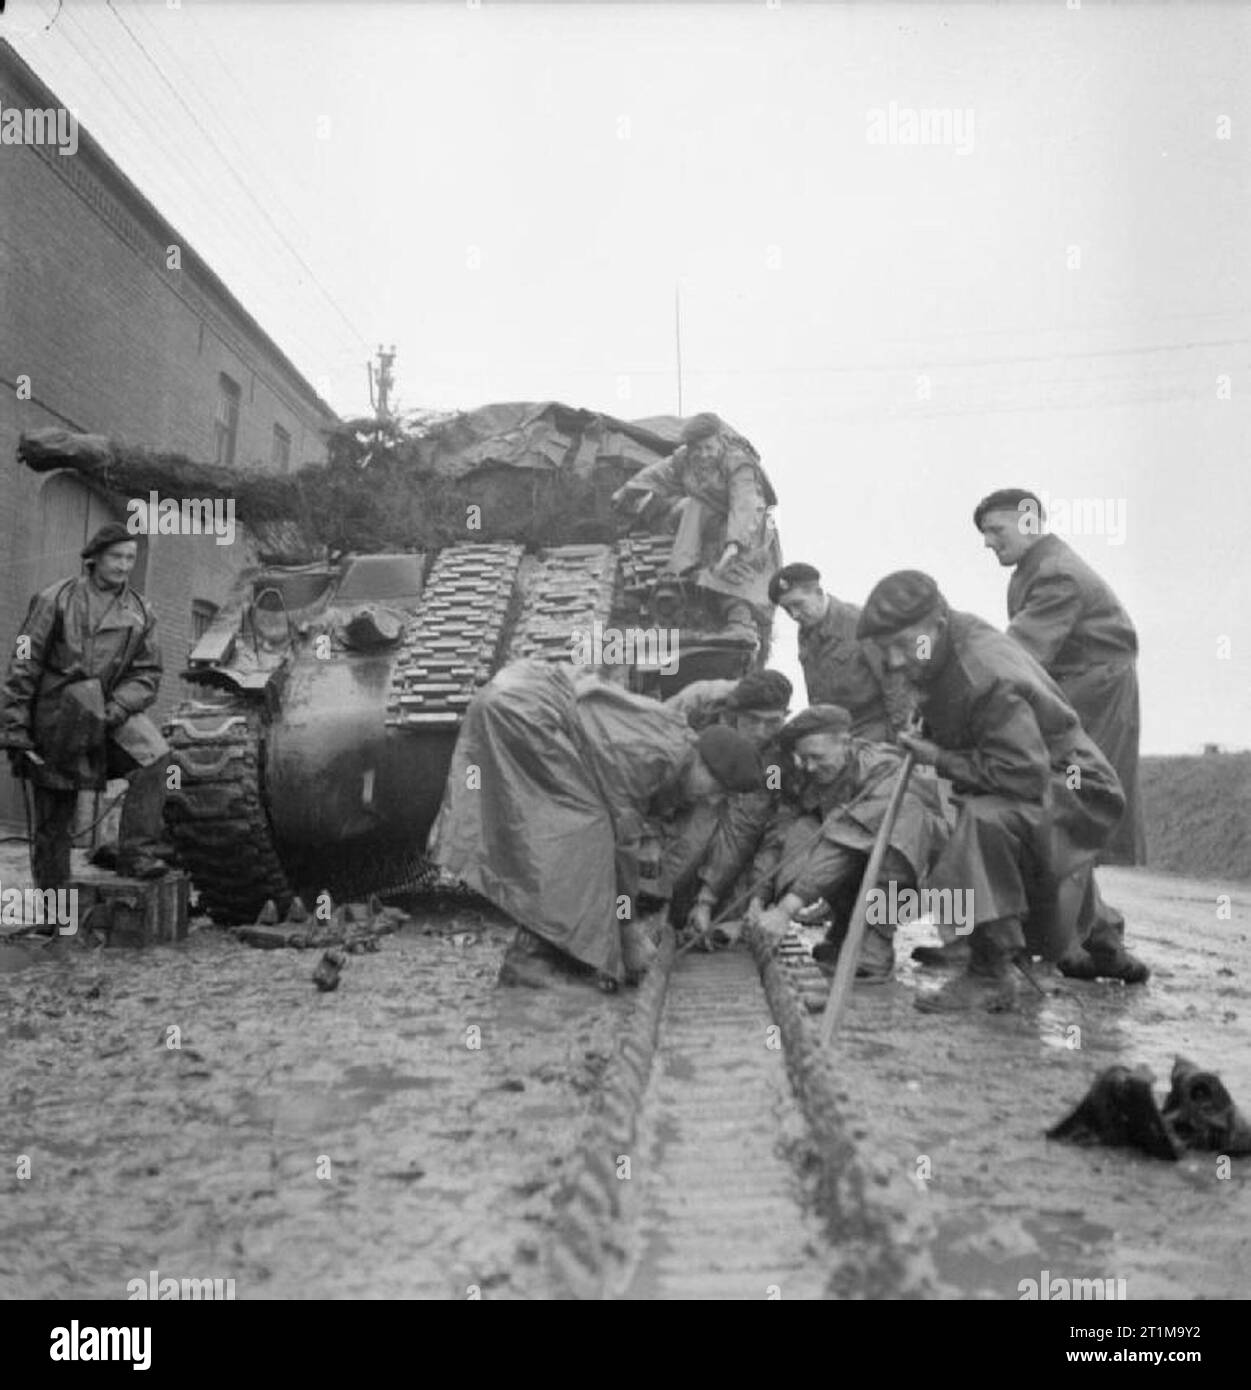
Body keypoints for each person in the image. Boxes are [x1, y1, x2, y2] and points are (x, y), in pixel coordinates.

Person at [855, 570, 1149, 1013]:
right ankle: (1100, 946)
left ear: (934, 624)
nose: (894, 662)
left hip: (1075, 783)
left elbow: (1020, 775)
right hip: (1047, 770)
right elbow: (965, 712)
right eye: (887, 650)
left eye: (901, 646)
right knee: (1014, 828)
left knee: (983, 821)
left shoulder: (983, 672)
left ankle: (990, 973)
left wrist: (939, 757)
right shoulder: (946, 638)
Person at [428, 658, 765, 988]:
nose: (710, 800)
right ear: (705, 767)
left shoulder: (676, 740)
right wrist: (629, 929)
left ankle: (549, 948)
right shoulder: (651, 759)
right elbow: (622, 848)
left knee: (570, 831)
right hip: (524, 712)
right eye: (716, 790)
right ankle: (530, 958)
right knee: (586, 834)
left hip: (520, 695)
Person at [974, 488, 1145, 865]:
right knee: (1068, 787)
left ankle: (1079, 908)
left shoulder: (1055, 573)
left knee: (1078, 789)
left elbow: (1020, 652)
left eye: (996, 530)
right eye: (984, 533)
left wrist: (968, 681)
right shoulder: (1036, 567)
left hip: (1093, 689)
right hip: (1076, 683)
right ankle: (1071, 897)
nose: (987, 542)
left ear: (1030, 522)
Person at [0, 523, 170, 888]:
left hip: (109, 716)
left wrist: (117, 709)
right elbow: (23, 660)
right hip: (57, 719)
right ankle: (55, 909)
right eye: (116, 557)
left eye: (130, 558)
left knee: (154, 757)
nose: (124, 566)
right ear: (94, 558)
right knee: (53, 822)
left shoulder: (141, 612)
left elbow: (148, 673)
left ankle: (136, 853)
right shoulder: (55, 599)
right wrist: (14, 727)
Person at [746, 705, 950, 982]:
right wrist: (760, 897)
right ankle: (846, 932)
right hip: (857, 858)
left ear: (845, 743)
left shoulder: (885, 769)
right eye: (803, 758)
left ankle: (874, 946)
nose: (809, 766)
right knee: (804, 829)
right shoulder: (810, 775)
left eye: (816, 757)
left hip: (930, 881)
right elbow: (781, 836)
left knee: (884, 840)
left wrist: (786, 910)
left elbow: (844, 845)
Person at [610, 412, 781, 641]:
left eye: (708, 447)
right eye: (697, 449)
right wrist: (630, 489)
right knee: (692, 506)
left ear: (719, 440)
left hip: (749, 527)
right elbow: (659, 474)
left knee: (734, 570)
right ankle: (680, 571)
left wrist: (734, 544)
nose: (703, 454)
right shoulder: (686, 459)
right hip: (708, 519)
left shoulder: (738, 464)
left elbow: (745, 503)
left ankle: (741, 623)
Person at [660, 669, 793, 937]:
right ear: (734, 713)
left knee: (733, 914)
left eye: (773, 722)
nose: (761, 732)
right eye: (752, 720)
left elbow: (746, 824)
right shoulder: (695, 705)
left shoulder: (775, 763)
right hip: (671, 806)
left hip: (725, 829)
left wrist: (706, 900)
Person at [768, 562, 914, 741]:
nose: (794, 614)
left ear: (818, 593)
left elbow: (898, 685)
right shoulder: (806, 632)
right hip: (835, 732)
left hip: (874, 730)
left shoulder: (861, 625)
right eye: (787, 609)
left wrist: (900, 737)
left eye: (798, 604)